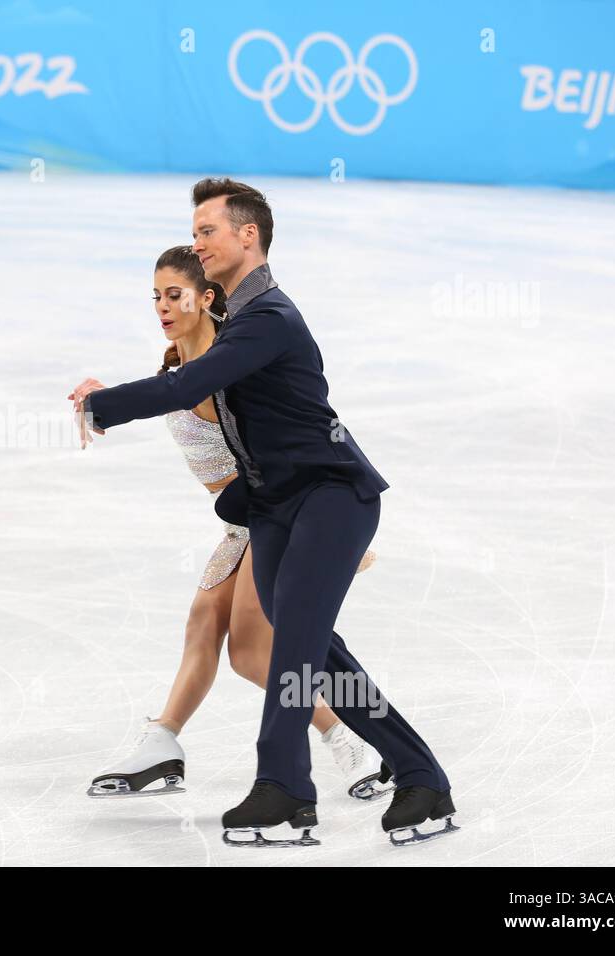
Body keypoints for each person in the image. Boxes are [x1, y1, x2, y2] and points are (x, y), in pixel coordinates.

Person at [71, 179, 457, 848]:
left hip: (331, 497)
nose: (198, 243)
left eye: (208, 230)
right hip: (273, 508)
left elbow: (188, 384)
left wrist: (102, 407)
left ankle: (284, 792)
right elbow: (191, 377)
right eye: (194, 233)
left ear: (247, 236)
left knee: (293, 650)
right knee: (319, 655)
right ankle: (421, 777)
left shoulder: (270, 318)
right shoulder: (240, 325)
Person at [82, 246, 388, 803]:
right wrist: (100, 398)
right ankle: (162, 744)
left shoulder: (241, 362)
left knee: (250, 654)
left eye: (174, 294)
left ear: (207, 298)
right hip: (244, 524)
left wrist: (330, 522)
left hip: (282, 516)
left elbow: (304, 431)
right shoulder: (176, 375)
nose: (162, 307)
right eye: (156, 296)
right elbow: (171, 398)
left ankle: (352, 739)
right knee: (203, 625)